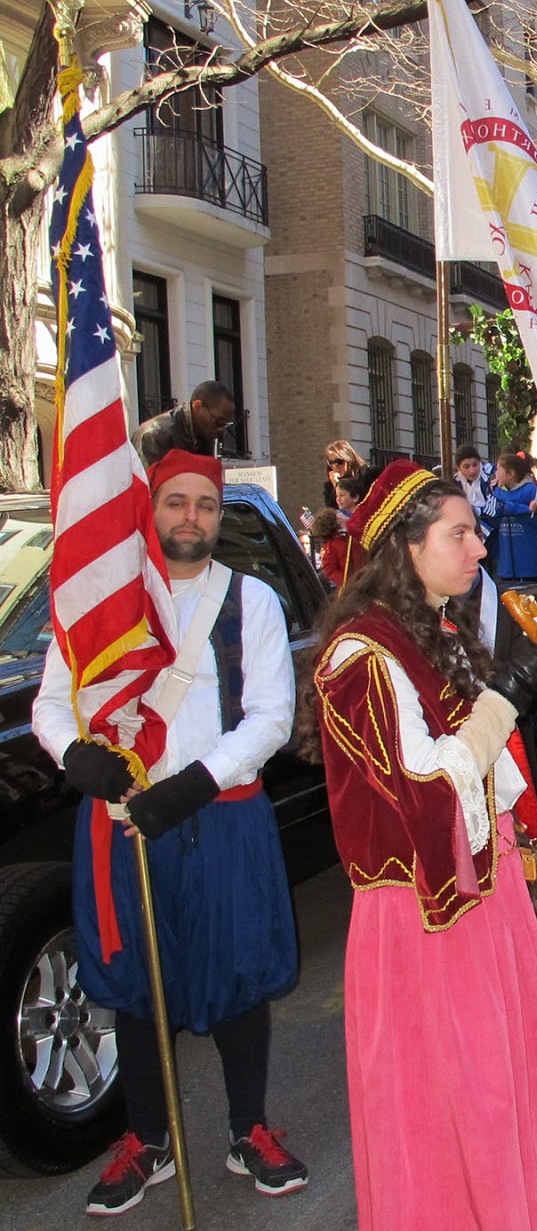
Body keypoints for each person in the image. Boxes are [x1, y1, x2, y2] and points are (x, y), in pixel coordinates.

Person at [302, 460, 537, 1230]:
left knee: (505, 1092)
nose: (479, 549)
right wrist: (510, 695)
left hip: (480, 899)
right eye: (459, 533)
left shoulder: (434, 631)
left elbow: (491, 776)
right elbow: (427, 793)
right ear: (405, 546)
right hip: (423, 921)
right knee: (449, 1109)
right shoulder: (359, 658)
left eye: (474, 530)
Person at [33, 449, 305, 1216]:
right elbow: (53, 703)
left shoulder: (248, 601)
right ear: (149, 508)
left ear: (219, 516)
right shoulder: (102, 603)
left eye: (207, 505)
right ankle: (146, 1139)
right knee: (138, 985)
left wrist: (189, 785)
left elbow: (271, 717)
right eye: (177, 502)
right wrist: (78, 756)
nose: (192, 517)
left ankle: (248, 1128)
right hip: (125, 823)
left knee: (238, 975)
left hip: (218, 817)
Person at [134, 380, 235, 466]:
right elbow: (150, 485)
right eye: (218, 422)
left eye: (225, 424)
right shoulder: (155, 434)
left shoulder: (203, 434)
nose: (221, 429)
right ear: (197, 406)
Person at [491, 450, 537, 585]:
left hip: (526, 558)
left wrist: (517, 509)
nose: (496, 474)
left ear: (511, 474)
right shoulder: (497, 491)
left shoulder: (530, 490)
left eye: (499, 470)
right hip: (505, 560)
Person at [451, 444, 498, 540]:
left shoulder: (489, 478)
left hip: (492, 534)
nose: (472, 471)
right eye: (466, 467)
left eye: (475, 465)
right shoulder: (454, 485)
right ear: (458, 468)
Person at [321, 440, 367, 510]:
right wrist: (335, 486)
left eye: (339, 462)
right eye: (331, 462)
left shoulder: (364, 476)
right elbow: (331, 509)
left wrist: (339, 486)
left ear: (349, 460)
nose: (335, 466)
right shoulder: (330, 486)